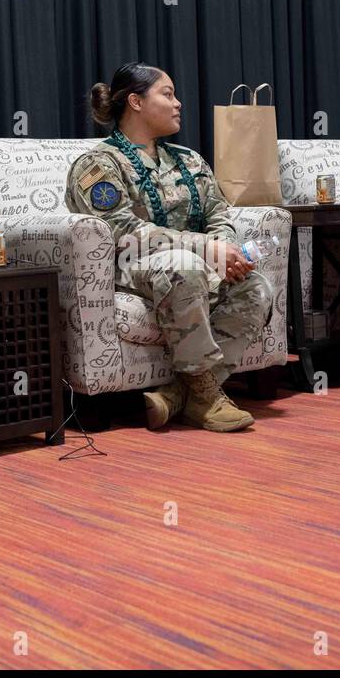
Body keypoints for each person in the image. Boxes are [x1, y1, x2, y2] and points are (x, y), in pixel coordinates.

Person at [65, 62, 274, 431]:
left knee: (256, 286)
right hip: (128, 265)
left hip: (189, 263)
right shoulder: (97, 165)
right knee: (182, 264)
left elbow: (218, 215)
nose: (178, 103)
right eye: (167, 94)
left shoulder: (189, 160)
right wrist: (205, 249)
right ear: (136, 102)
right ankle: (207, 398)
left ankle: (177, 395)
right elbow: (121, 230)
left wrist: (226, 251)